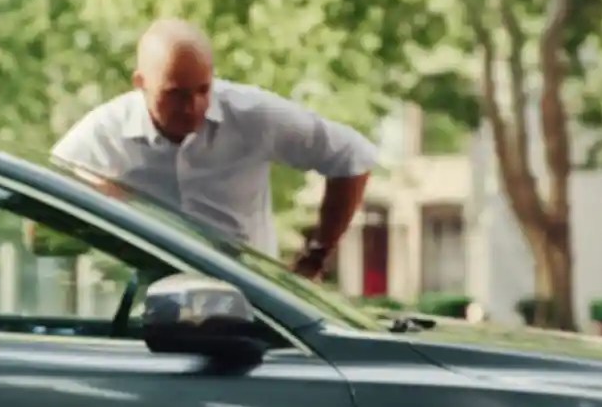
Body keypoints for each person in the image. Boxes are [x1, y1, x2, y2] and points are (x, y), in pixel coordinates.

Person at [50, 18, 379, 279]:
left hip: (251, 308)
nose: (193, 106)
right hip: (146, 313)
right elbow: (39, 208)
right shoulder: (104, 133)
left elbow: (353, 155)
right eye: (176, 93)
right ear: (141, 83)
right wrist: (102, 204)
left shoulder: (253, 116)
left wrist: (315, 257)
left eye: (203, 89)